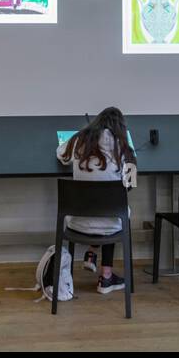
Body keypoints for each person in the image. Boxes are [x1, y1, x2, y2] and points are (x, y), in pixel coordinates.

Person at [56, 107, 135, 295]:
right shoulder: (125, 149)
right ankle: (106, 277)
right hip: (111, 223)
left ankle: (91, 252)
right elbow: (130, 185)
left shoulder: (79, 139)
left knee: (104, 208)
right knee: (115, 209)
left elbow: (61, 154)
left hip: (78, 223)